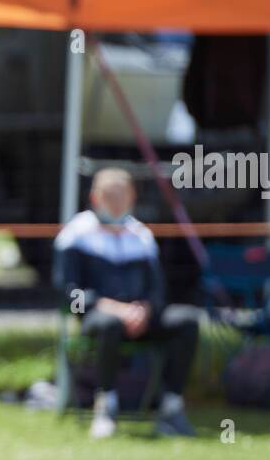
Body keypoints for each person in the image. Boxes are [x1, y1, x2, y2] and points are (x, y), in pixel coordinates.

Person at [53, 168, 201, 439]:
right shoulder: (76, 234)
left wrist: (146, 309)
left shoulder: (140, 236)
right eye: (111, 196)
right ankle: (106, 407)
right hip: (97, 318)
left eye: (123, 195)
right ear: (95, 198)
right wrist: (107, 306)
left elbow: (158, 289)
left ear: (132, 197)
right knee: (109, 325)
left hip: (140, 316)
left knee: (187, 320)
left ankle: (171, 408)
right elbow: (67, 295)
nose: (118, 202)